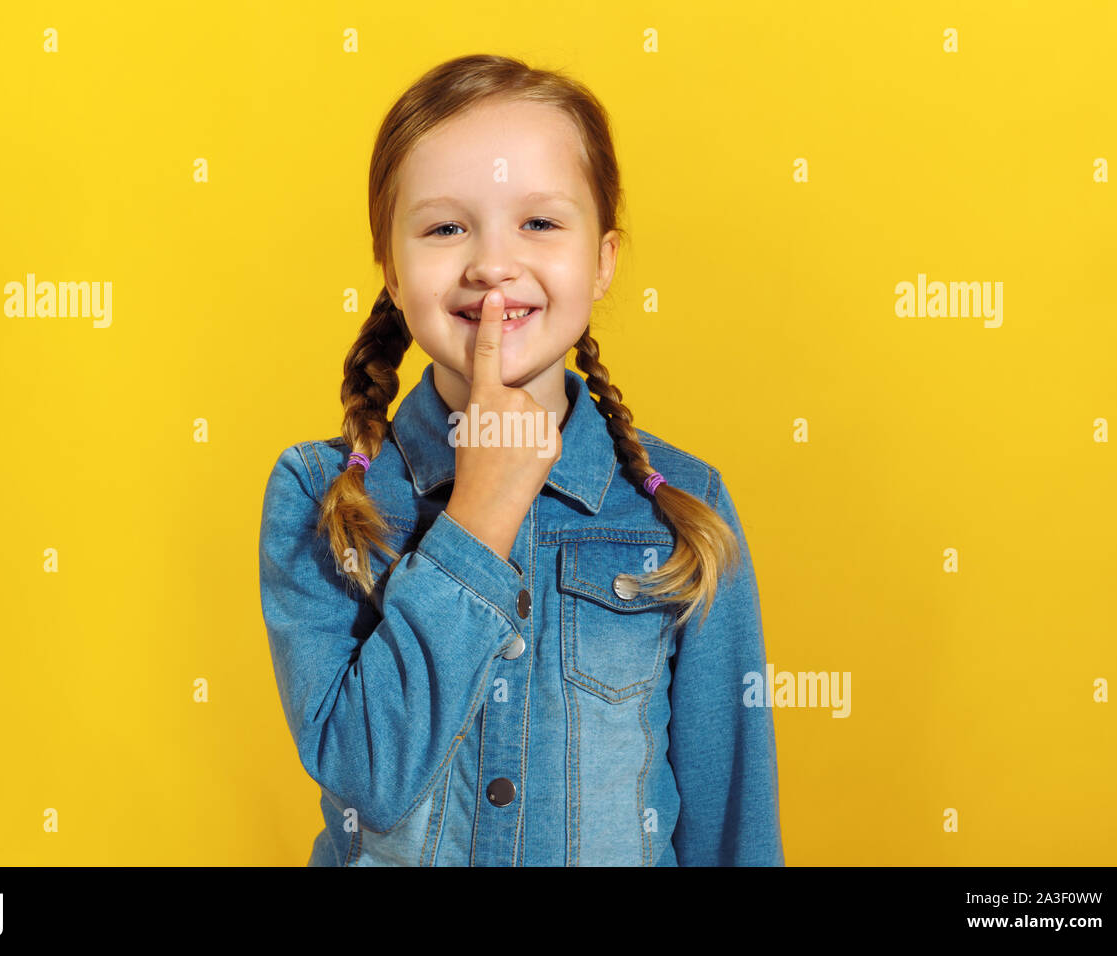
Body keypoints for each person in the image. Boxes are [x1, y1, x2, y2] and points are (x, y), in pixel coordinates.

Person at [258, 54, 785, 866]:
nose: (492, 265)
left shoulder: (684, 506)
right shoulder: (318, 494)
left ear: (603, 260)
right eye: (445, 227)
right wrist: (478, 517)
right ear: (392, 272)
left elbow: (731, 825)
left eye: (539, 223)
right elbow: (367, 778)